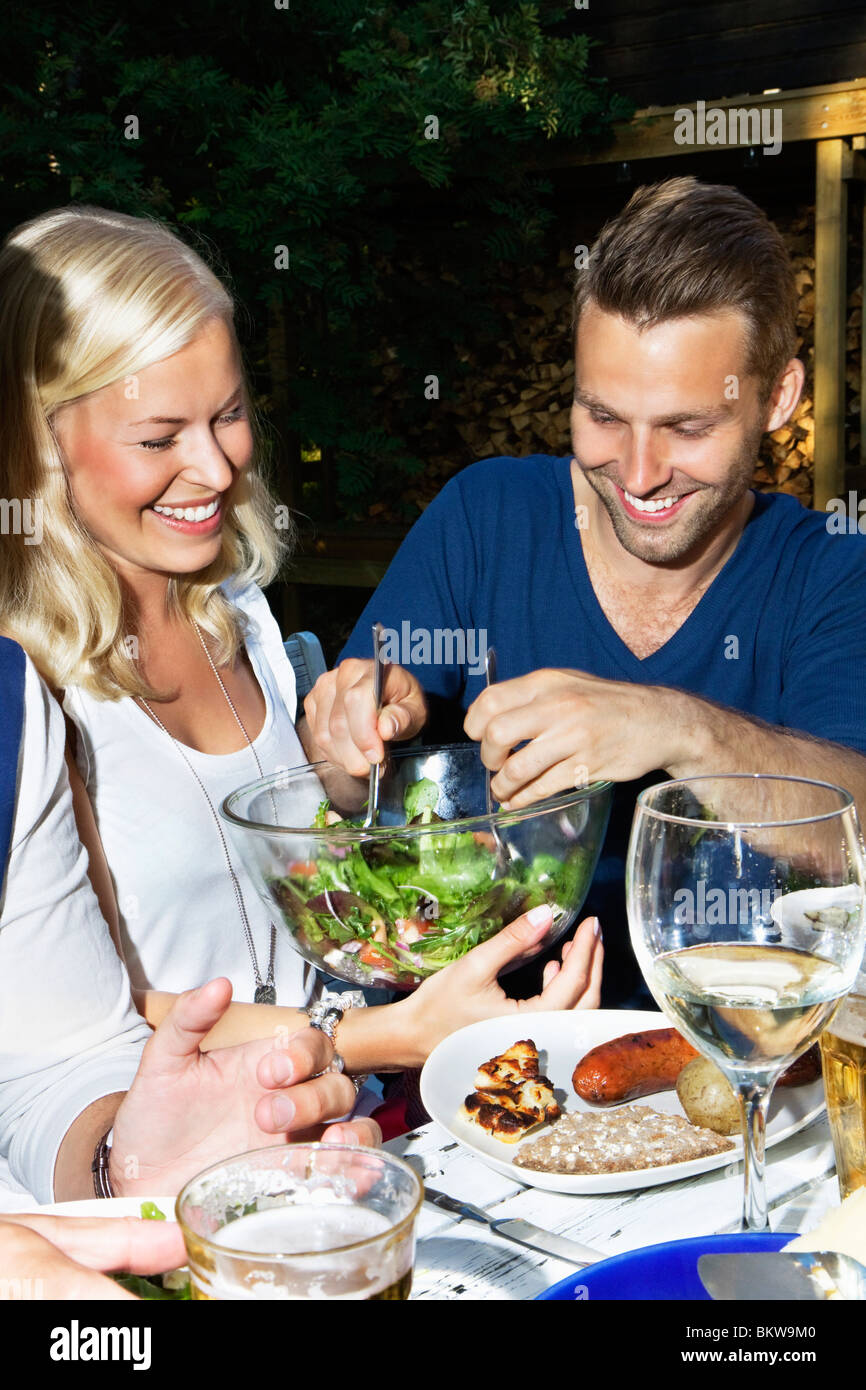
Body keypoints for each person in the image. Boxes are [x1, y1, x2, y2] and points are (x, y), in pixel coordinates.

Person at [0, 206, 602, 1088]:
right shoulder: (32, 687)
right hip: (153, 1169)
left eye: (230, 414)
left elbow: (294, 882)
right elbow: (101, 1013)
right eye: (159, 438)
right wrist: (377, 1034)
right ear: (39, 447)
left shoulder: (234, 611)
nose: (215, 468)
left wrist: (357, 763)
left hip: (339, 1131)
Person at [305, 176, 866, 1007]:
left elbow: (854, 827)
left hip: (750, 1074)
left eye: (687, 427)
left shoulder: (832, 568)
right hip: (486, 1074)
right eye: (602, 416)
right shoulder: (485, 516)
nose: (638, 474)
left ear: (779, 396)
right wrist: (352, 742)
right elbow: (340, 788)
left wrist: (678, 728)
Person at [0, 633, 378, 1297]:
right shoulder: (55, 685)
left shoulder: (10, 697)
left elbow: (56, 1059)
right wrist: (375, 1035)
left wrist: (118, 1170)